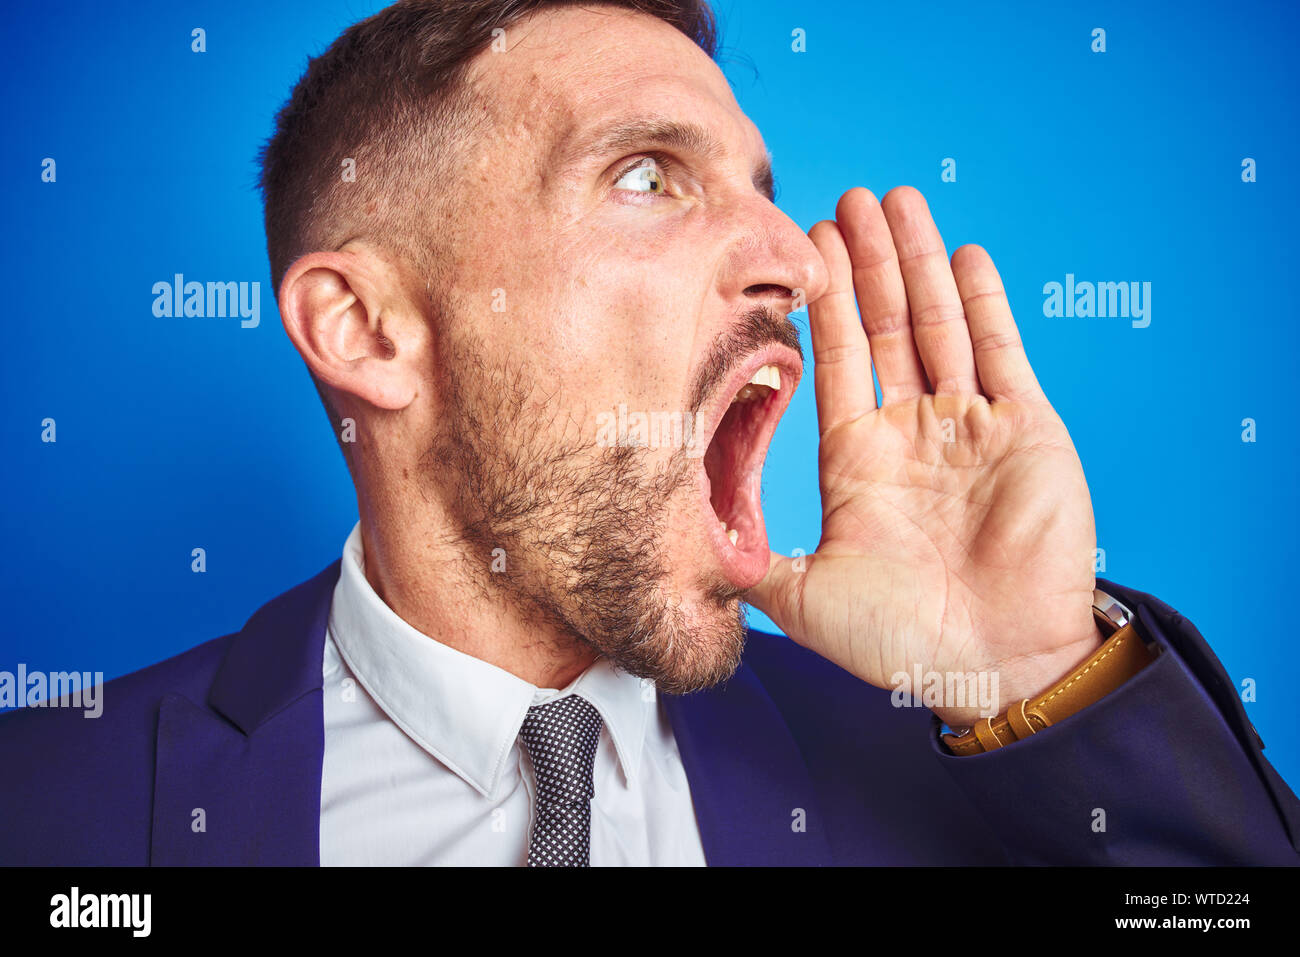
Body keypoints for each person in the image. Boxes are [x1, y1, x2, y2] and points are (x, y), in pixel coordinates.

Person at [2, 0, 1297, 866]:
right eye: (645, 175)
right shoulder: (51, 800)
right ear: (367, 329)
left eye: (762, 191)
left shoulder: (975, 763)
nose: (794, 261)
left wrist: (1033, 673)